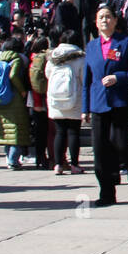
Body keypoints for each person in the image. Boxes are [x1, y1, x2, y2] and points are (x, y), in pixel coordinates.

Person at [82, 5, 128, 207]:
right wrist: (85, 108)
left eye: (108, 17)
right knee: (101, 151)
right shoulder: (92, 46)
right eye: (101, 17)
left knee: (122, 144)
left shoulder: (125, 43)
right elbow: (87, 80)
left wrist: (118, 77)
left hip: (119, 102)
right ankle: (107, 192)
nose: (105, 20)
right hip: (98, 103)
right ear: (96, 22)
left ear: (114, 20)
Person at [45, 29, 86, 174]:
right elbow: (84, 78)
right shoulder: (80, 57)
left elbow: (47, 74)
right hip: (74, 98)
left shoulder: (53, 56)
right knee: (74, 132)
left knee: (60, 132)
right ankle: (74, 164)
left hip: (56, 98)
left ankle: (58, 164)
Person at [0, 36, 31, 169]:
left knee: (7, 132)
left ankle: (9, 158)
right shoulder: (16, 59)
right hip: (14, 98)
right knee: (16, 130)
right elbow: (13, 76)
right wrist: (22, 90)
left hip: (1, 98)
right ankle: (13, 160)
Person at [27, 35, 51, 169]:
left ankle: (38, 157)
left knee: (37, 131)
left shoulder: (32, 58)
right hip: (43, 99)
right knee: (44, 130)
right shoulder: (44, 58)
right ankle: (43, 158)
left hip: (33, 98)